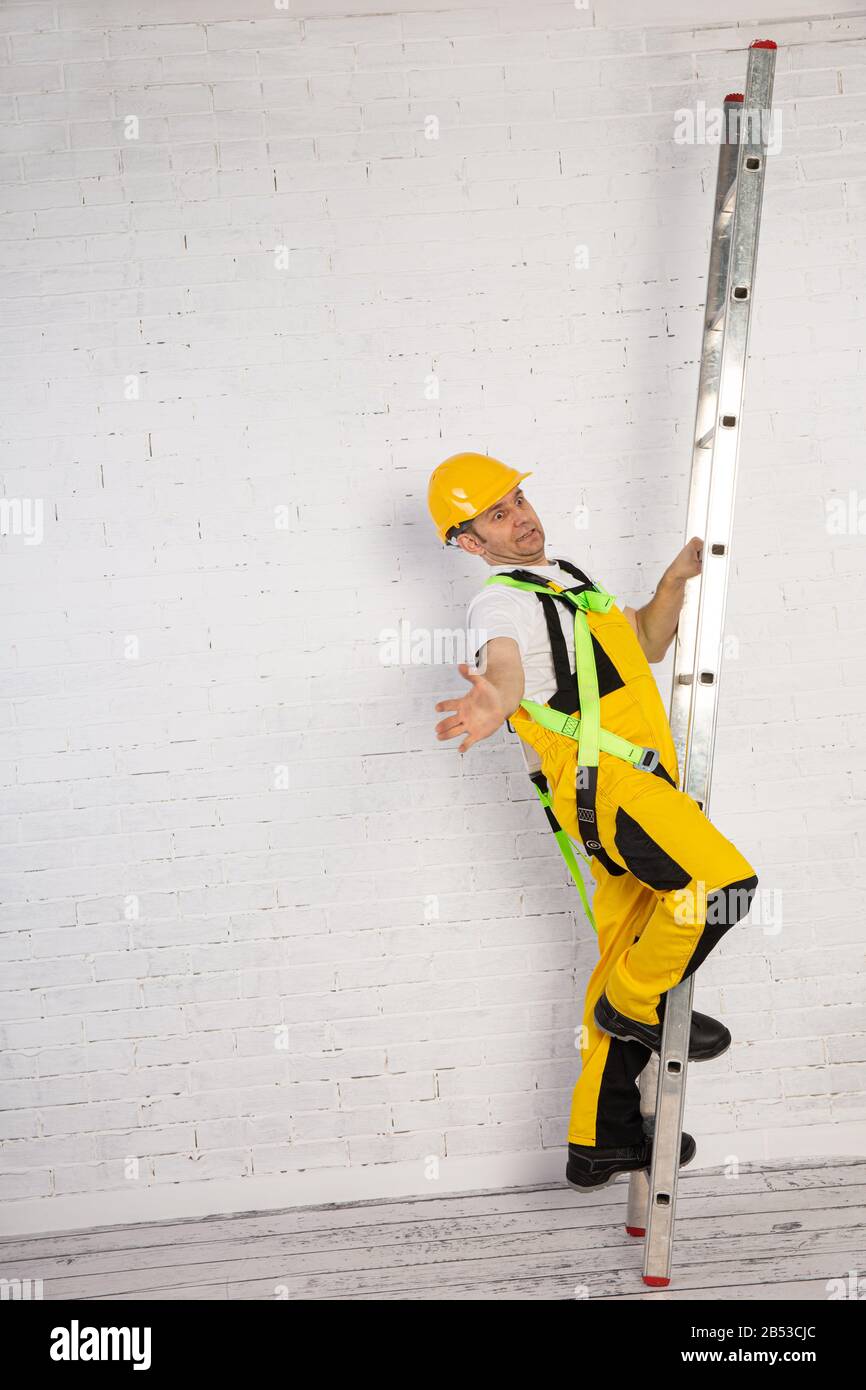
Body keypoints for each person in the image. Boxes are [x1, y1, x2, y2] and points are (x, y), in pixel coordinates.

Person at [428, 452, 759, 1189]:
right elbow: (506, 666)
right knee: (724, 883)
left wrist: (670, 586)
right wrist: (496, 699)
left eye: (518, 500)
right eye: (497, 513)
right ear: (470, 542)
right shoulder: (499, 603)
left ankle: (598, 1139)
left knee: (629, 946)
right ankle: (633, 1005)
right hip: (606, 788)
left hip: (637, 783)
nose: (521, 517)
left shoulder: (571, 578)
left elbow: (639, 646)